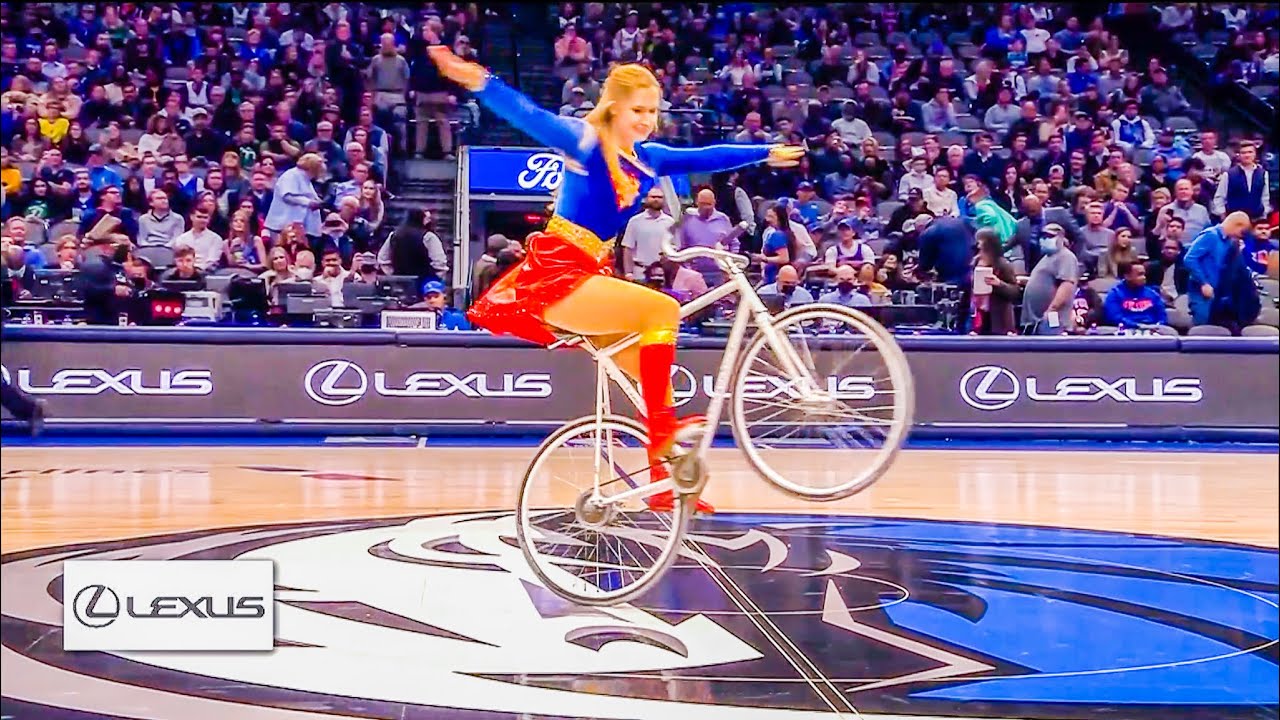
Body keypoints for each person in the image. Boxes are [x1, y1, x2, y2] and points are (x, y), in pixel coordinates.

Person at [430, 46, 802, 513]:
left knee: (657, 382)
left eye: (653, 110)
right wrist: (476, 78)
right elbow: (528, 113)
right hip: (558, 274)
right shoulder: (584, 142)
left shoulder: (651, 158)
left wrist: (764, 151)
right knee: (662, 309)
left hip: (590, 274)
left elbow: (708, 154)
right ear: (613, 107)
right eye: (637, 110)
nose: (646, 119)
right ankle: (667, 438)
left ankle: (663, 489)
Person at [1184, 212, 1252, 327]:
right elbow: (1189, 259)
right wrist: (1203, 283)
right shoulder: (1210, 235)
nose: (1241, 236)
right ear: (1237, 225)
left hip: (1217, 293)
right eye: (1241, 232)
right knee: (1203, 324)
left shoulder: (1229, 242)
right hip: (1201, 291)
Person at [1103, 261, 1168, 329]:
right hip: (1126, 330)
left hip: (1153, 329)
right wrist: (1137, 326)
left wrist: (1158, 325)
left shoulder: (1152, 294)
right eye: (1140, 274)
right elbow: (1114, 317)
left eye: (1144, 274)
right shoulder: (1115, 294)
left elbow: (1162, 315)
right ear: (1127, 276)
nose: (1144, 277)